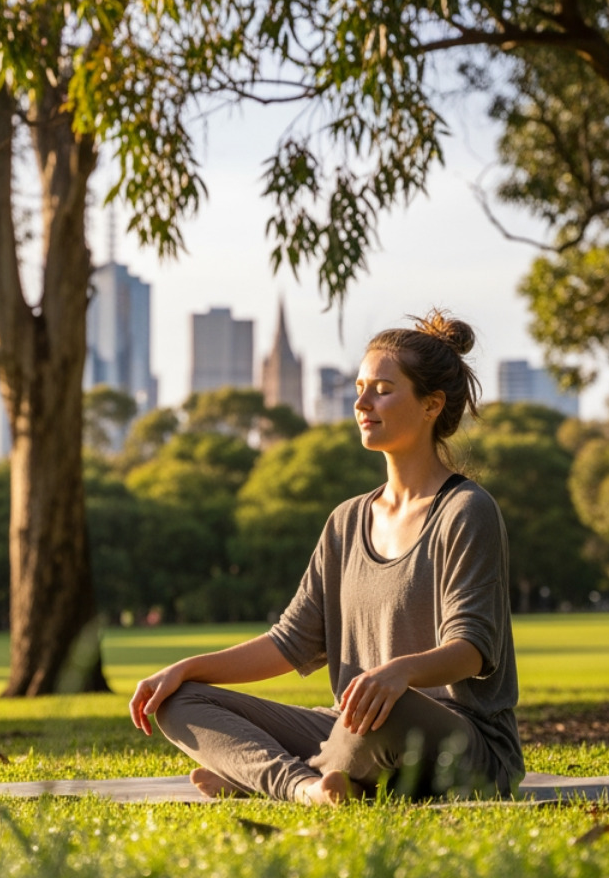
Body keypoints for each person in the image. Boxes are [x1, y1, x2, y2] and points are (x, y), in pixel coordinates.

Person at [128, 310, 524, 805]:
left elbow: (471, 649)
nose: (361, 403)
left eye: (382, 388)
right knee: (180, 702)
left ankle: (255, 777)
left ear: (431, 405)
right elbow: (289, 642)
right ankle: (307, 787)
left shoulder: (466, 510)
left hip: (463, 743)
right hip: (353, 729)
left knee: (386, 712)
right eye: (360, 387)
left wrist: (398, 672)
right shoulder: (346, 521)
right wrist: (187, 668)